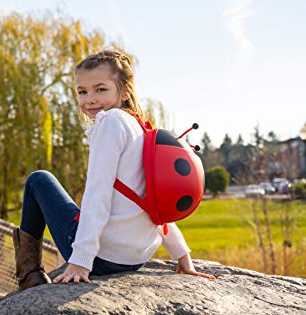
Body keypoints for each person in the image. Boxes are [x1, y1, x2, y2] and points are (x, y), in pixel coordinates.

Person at [12, 50, 215, 291]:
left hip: (103, 259)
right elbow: (154, 201)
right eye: (82, 91)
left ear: (125, 90)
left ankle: (29, 275)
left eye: (100, 89)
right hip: (135, 258)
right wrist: (182, 255)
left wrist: (81, 261)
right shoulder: (140, 128)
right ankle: (36, 273)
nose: (89, 100)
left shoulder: (110, 122)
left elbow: (98, 195)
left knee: (39, 180)